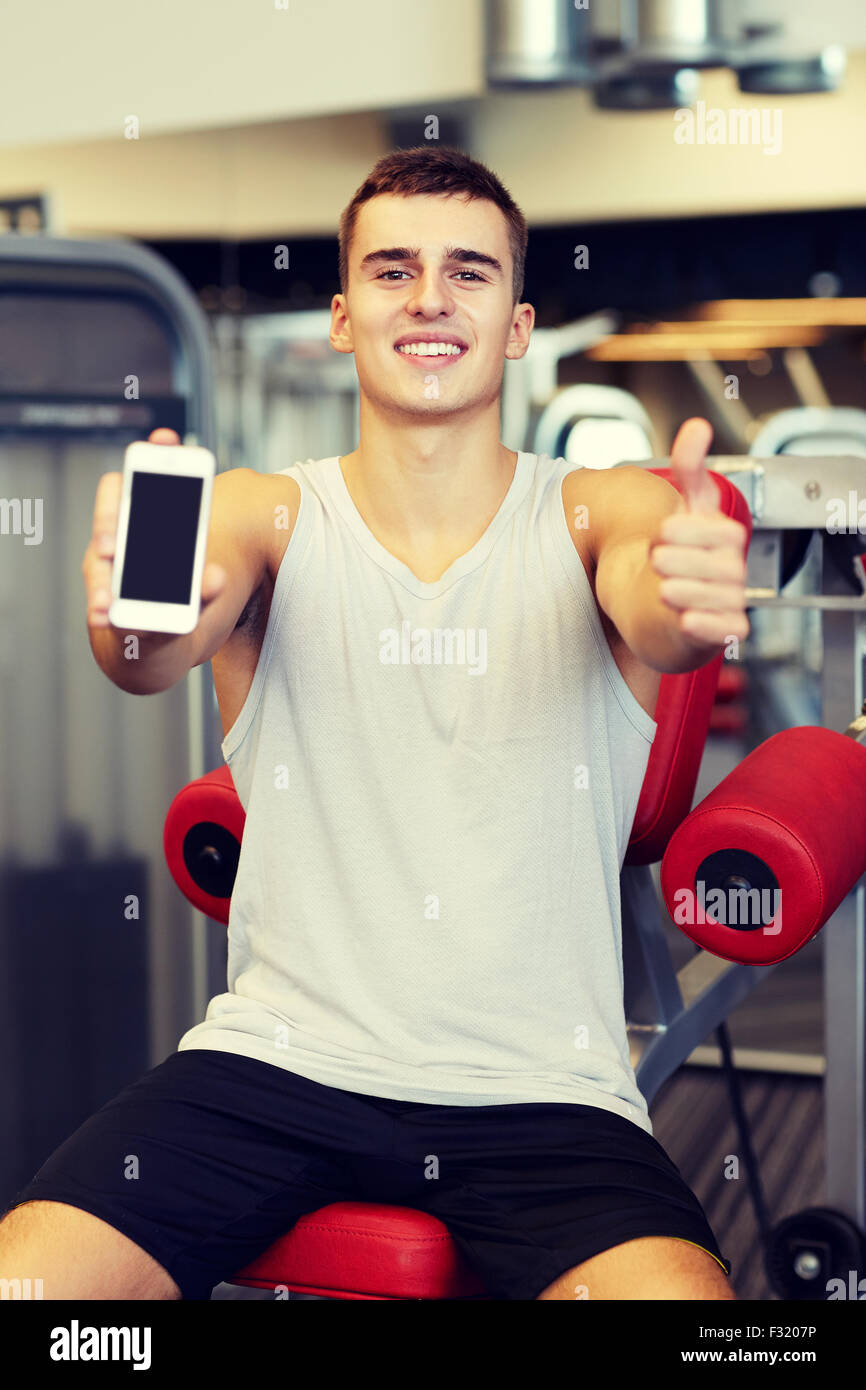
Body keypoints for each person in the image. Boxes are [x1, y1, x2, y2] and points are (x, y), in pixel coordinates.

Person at [0, 146, 748, 1300]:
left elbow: (656, 608)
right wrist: (134, 610)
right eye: (393, 271)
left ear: (515, 323)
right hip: (273, 1071)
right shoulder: (265, 512)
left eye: (468, 272)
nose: (430, 298)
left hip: (540, 1094)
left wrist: (689, 605)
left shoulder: (608, 510)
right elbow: (147, 657)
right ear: (344, 318)